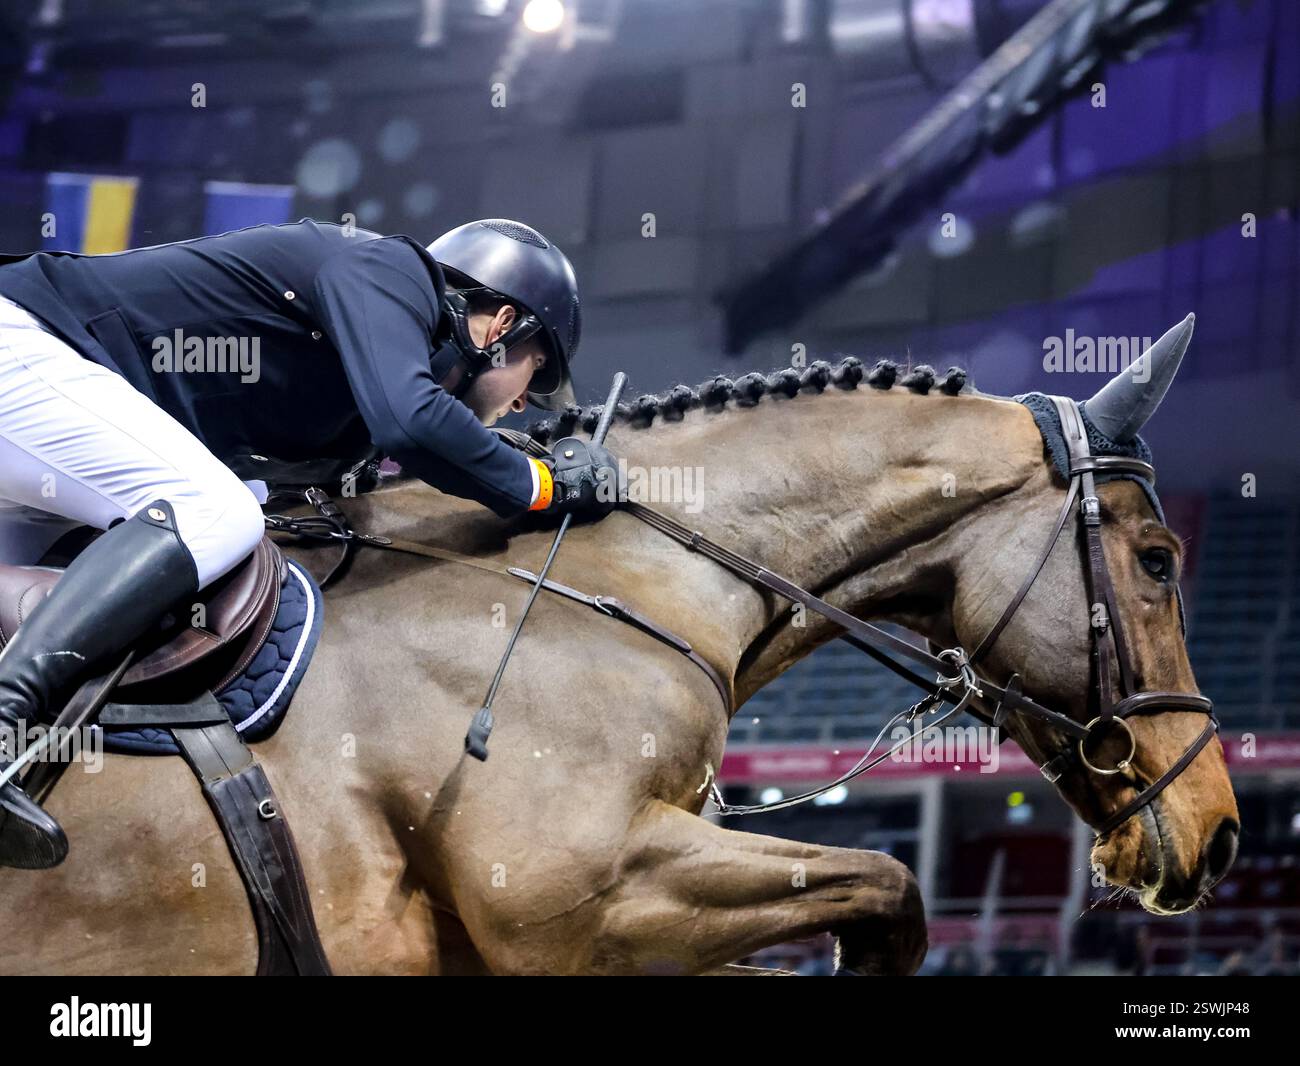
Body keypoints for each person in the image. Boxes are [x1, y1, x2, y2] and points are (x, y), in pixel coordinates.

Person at [0, 217, 618, 869]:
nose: (525, 404)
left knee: (215, 525)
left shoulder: (352, 395)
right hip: (25, 344)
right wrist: (545, 483)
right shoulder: (388, 269)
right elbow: (412, 422)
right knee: (213, 512)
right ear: (500, 327)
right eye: (536, 369)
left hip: (35, 404)